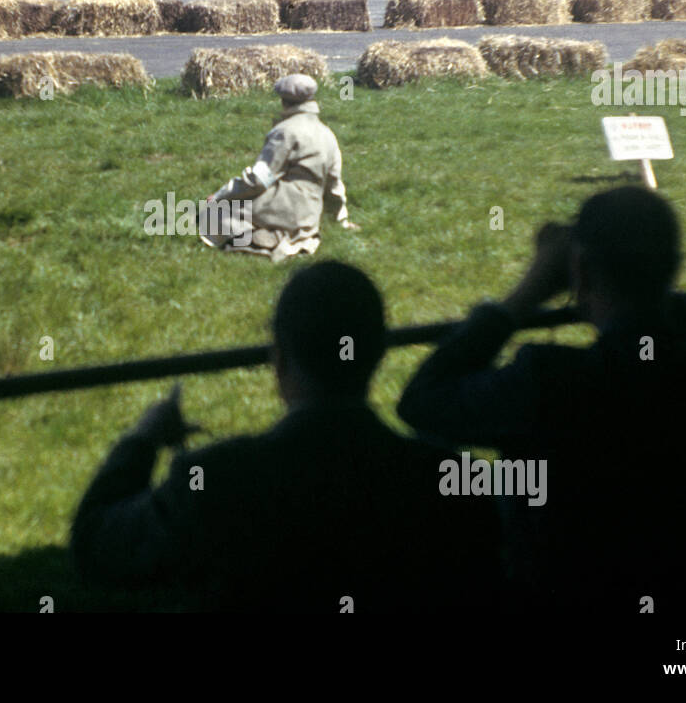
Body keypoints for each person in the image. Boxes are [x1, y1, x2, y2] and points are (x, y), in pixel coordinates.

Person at [397, 187, 686, 614]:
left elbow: (422, 400)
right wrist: (644, 279)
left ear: (582, 269)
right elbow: (680, 327)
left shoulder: (551, 382)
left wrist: (526, 293)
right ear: (674, 269)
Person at [71, 262, 504, 612]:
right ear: (377, 354)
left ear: (278, 358)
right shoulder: (451, 485)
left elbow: (95, 547)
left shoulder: (213, 482)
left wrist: (142, 440)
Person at [200, 74, 357, 262]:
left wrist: (219, 196)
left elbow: (258, 180)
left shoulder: (285, 131)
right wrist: (340, 220)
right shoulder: (327, 134)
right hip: (308, 219)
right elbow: (334, 185)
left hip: (283, 210)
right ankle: (277, 237)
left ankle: (258, 239)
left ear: (283, 101)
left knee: (210, 213)